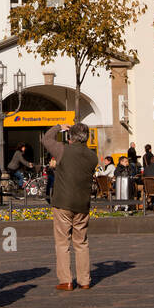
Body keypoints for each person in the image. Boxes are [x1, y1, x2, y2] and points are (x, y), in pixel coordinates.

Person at [41, 122, 98, 291]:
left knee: (62, 243)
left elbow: (46, 139)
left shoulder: (63, 150)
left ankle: (66, 280)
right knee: (81, 243)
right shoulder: (92, 156)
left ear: (70, 136)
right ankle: (84, 280)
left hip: (63, 202)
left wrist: (59, 126)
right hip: (82, 204)